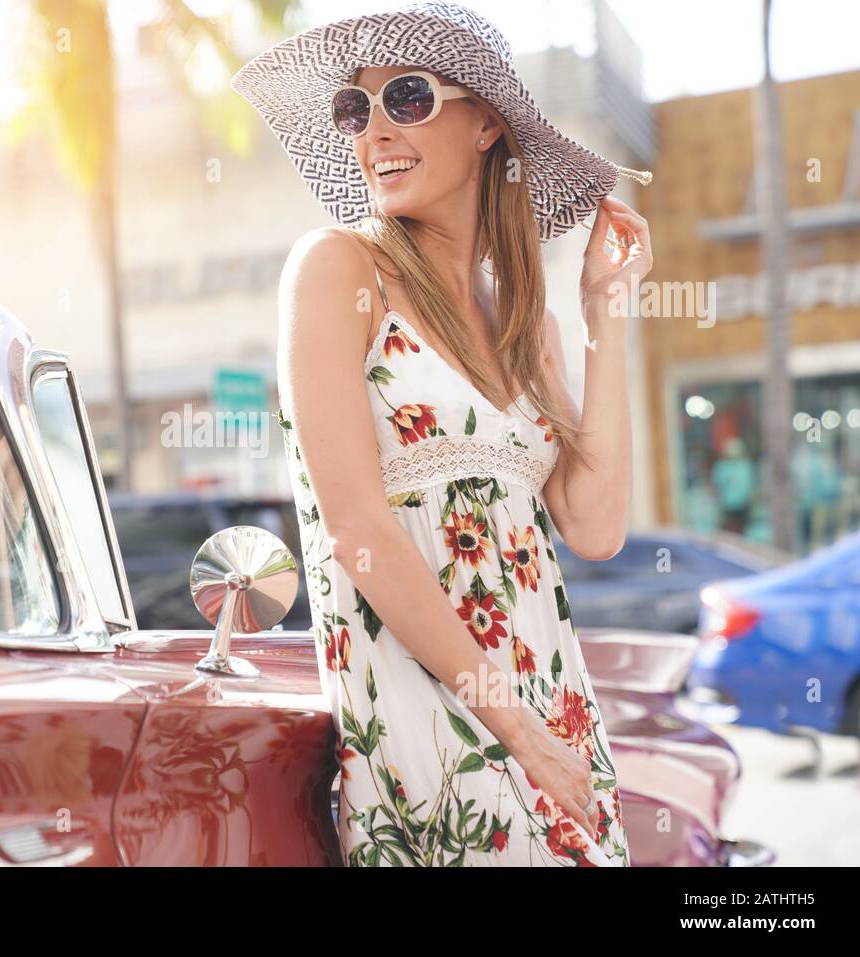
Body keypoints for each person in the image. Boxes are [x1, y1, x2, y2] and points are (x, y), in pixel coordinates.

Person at [232, 1, 653, 866]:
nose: (375, 131)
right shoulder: (338, 270)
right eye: (357, 108)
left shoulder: (521, 320)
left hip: (553, 713)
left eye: (409, 98)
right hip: (437, 734)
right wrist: (517, 733)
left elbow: (596, 526)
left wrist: (606, 313)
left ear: (486, 124)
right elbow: (359, 533)